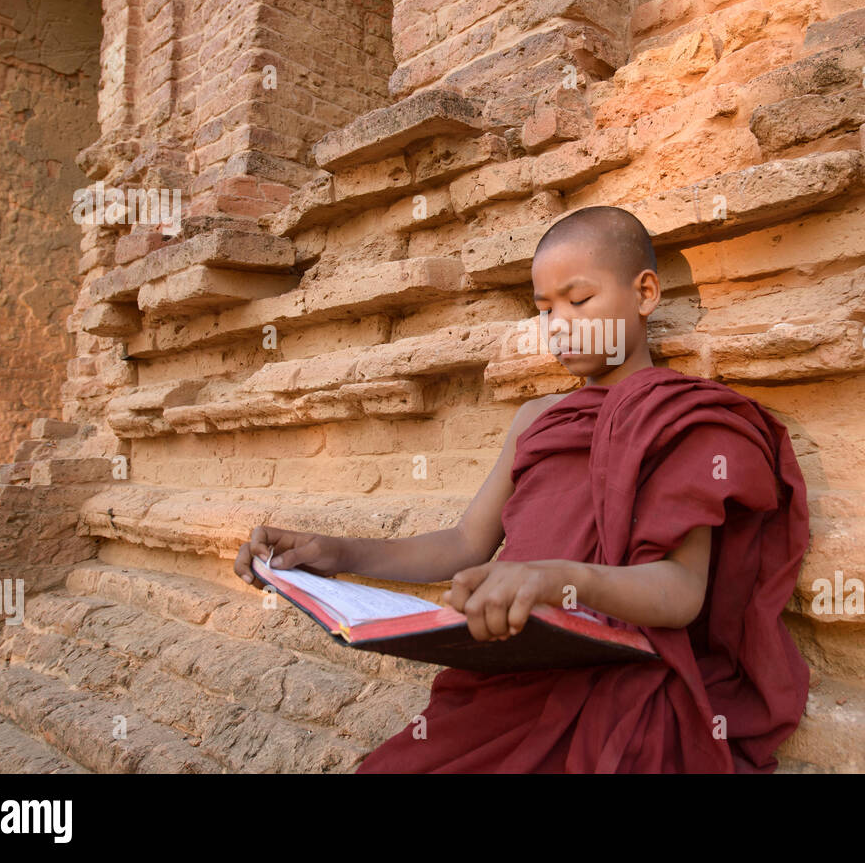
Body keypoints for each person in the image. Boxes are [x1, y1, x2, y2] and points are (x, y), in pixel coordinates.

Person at [234, 205, 812, 772]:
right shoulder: (538, 418)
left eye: (580, 300)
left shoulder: (686, 420)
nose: (558, 324)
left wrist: (556, 580)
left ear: (645, 293)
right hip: (504, 676)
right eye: (544, 308)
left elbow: (683, 590)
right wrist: (336, 553)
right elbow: (464, 544)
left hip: (617, 686)